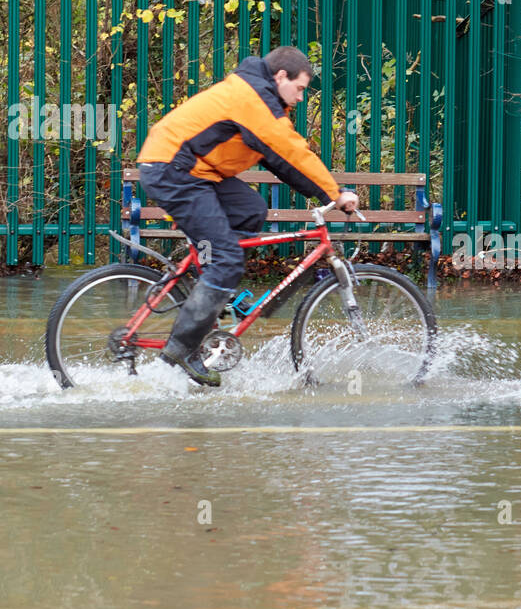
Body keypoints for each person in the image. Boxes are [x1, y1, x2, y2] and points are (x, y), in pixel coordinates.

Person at [135, 46, 359, 387]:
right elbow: (292, 151)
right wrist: (334, 193)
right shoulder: (252, 98)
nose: (301, 97)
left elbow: (280, 160)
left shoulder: (261, 98)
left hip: (197, 170)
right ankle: (181, 349)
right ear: (280, 76)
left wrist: (321, 192)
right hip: (174, 169)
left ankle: (213, 288)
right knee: (227, 260)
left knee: (250, 210)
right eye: (299, 88)